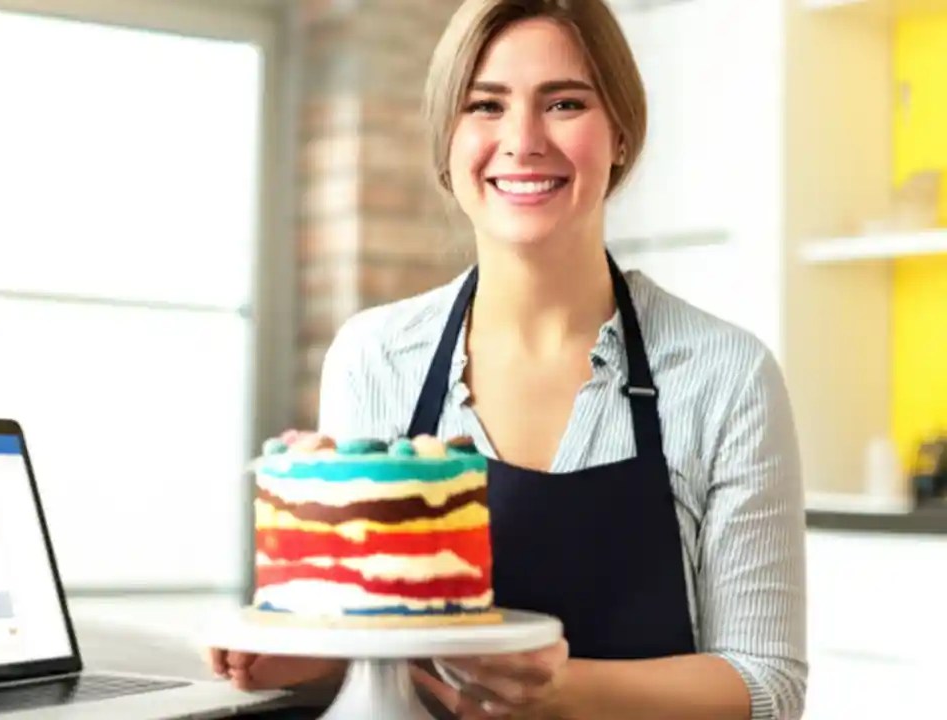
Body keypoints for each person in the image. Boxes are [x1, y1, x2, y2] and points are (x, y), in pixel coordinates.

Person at [207, 0, 807, 717]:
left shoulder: (726, 376)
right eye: (485, 106)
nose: (522, 141)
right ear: (446, 143)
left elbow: (767, 683)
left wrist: (566, 695)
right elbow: (378, 658)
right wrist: (303, 658)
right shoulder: (373, 359)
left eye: (564, 103)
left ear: (619, 132)